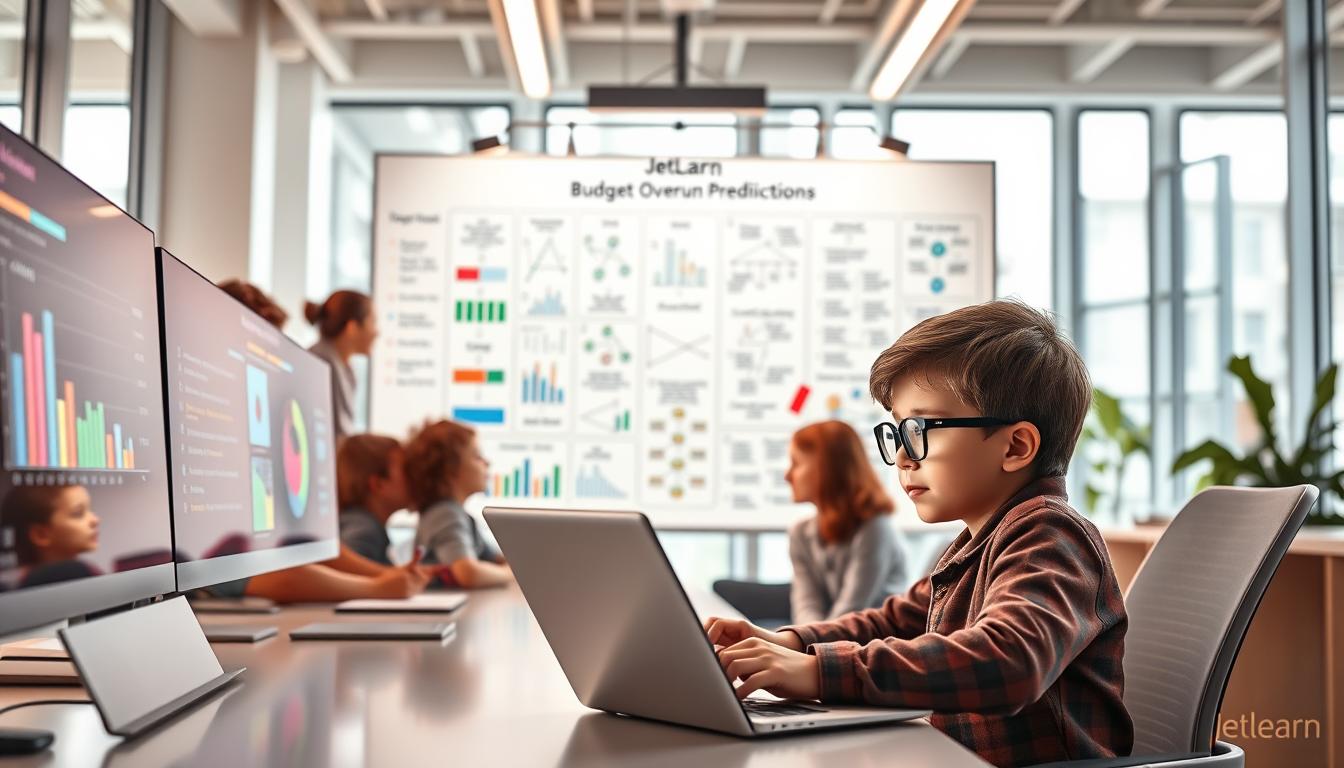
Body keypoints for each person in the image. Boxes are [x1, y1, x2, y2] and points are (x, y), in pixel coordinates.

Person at [704, 300, 1133, 768]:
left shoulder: (1050, 535)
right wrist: (787, 643)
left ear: (1015, 446)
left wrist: (818, 672)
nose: (904, 458)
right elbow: (894, 620)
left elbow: (1008, 661)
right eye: (898, 433)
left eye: (921, 429)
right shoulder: (977, 543)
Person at [784, 420, 905, 624]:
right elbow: (806, 604)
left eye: (796, 463)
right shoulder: (800, 533)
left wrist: (804, 645)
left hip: (876, 644)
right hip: (833, 639)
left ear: (826, 469)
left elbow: (851, 610)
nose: (787, 476)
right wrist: (801, 641)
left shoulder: (875, 528)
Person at [403, 420, 512, 589]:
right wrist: (510, 573)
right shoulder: (444, 514)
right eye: (477, 456)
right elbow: (468, 573)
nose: (487, 462)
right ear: (450, 471)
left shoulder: (456, 514)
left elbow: (495, 558)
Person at [304, 290, 377, 442]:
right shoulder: (322, 362)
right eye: (373, 322)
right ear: (352, 327)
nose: (377, 332)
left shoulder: (343, 366)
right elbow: (339, 437)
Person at [338, 434, 411, 565]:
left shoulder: (362, 522)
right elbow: (340, 568)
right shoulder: (365, 530)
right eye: (407, 471)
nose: (415, 477)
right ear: (378, 484)